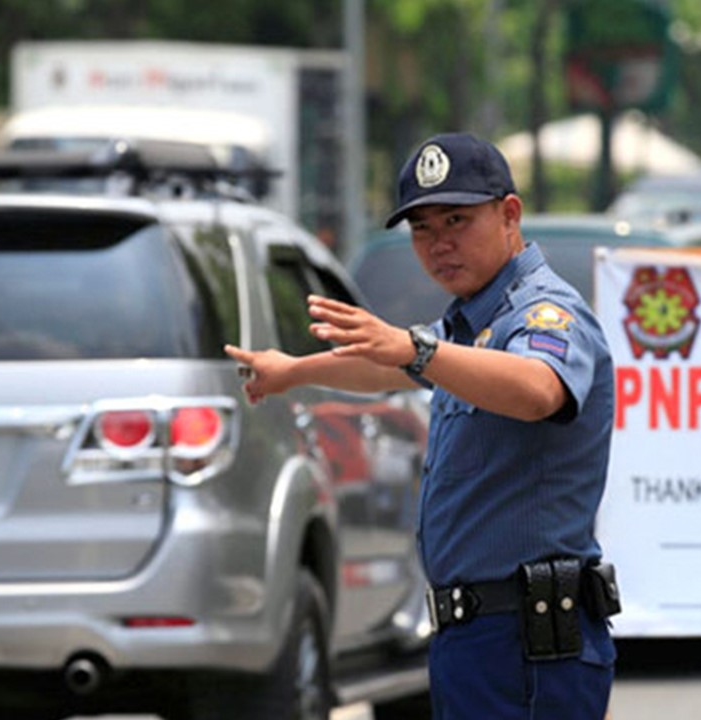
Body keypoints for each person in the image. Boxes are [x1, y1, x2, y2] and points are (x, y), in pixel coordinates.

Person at [225, 132, 618, 719]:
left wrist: (415, 349)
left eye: (457, 220)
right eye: (422, 229)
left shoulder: (543, 312)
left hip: (528, 644)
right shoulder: (473, 326)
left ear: (509, 214)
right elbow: (387, 367)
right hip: (477, 640)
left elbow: (539, 389)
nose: (439, 244)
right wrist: (292, 371)